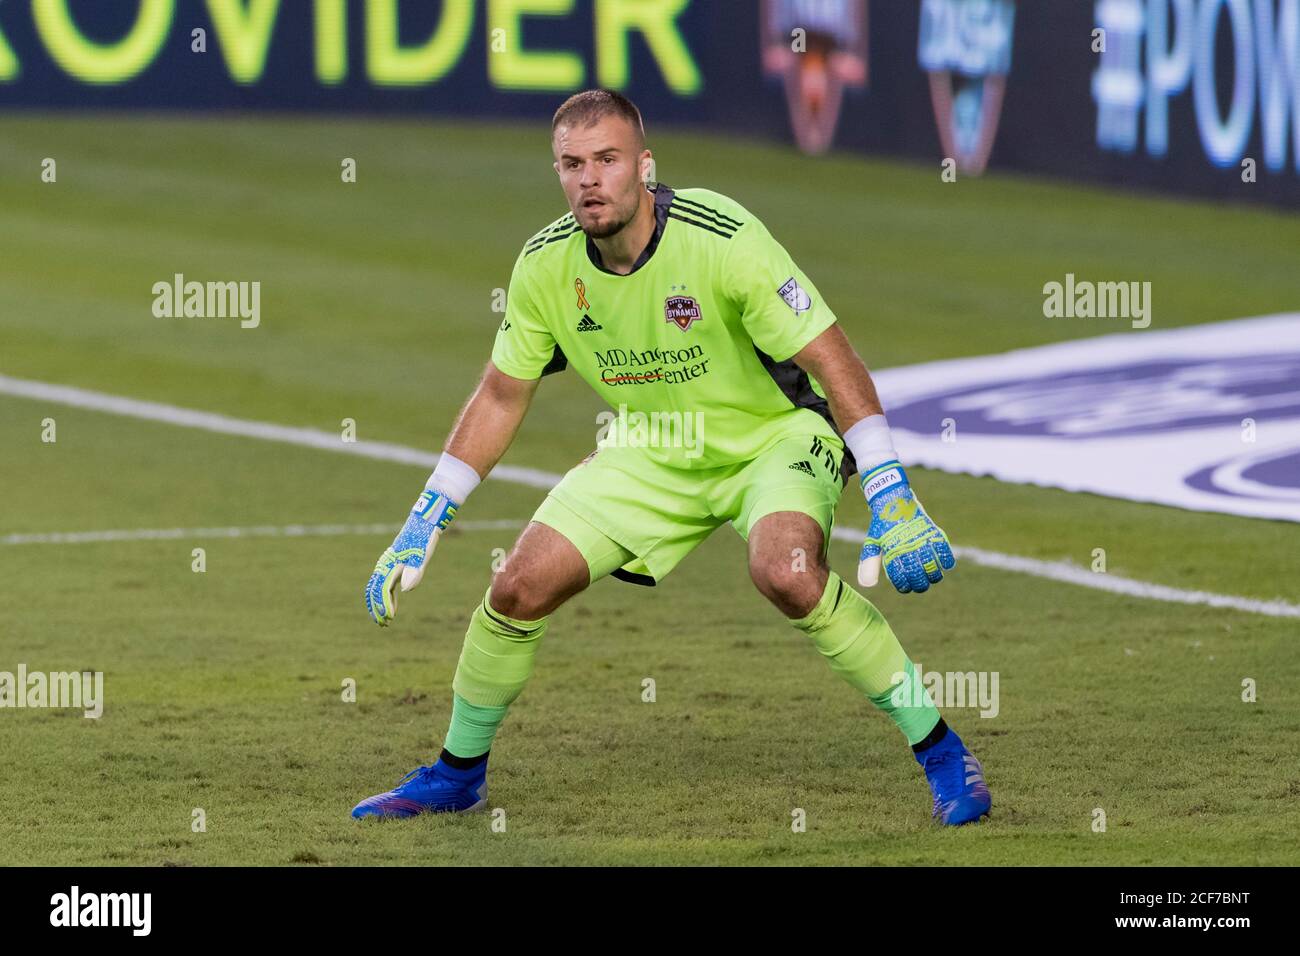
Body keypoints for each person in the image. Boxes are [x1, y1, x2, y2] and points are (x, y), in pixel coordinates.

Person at [353, 89, 990, 827]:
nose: (589, 179)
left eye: (607, 160)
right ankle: (458, 775)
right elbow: (500, 396)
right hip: (654, 446)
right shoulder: (545, 267)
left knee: (784, 573)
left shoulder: (722, 236)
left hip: (772, 439)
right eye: (572, 164)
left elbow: (833, 360)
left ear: (644, 167)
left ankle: (941, 750)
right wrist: (426, 516)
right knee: (518, 588)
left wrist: (890, 490)